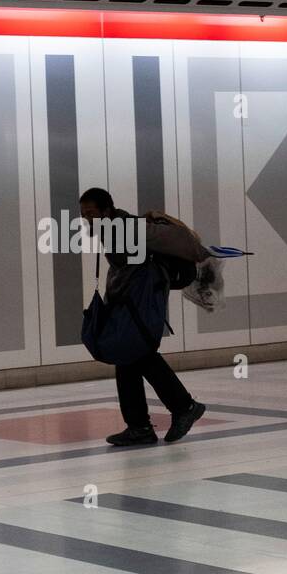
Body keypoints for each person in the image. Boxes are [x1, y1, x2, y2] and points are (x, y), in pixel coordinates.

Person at [78, 187, 207, 446]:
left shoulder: (127, 228)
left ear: (106, 210)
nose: (87, 220)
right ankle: (139, 426)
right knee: (127, 356)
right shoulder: (115, 227)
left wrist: (116, 300)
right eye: (83, 215)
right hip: (128, 302)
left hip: (138, 303)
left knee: (140, 354)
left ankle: (184, 407)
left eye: (91, 214)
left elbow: (135, 269)